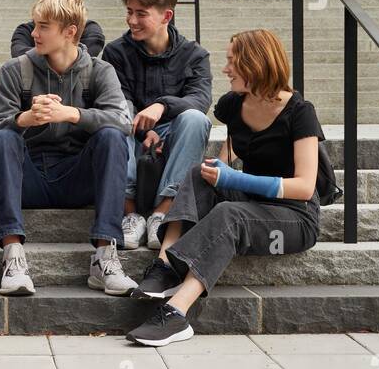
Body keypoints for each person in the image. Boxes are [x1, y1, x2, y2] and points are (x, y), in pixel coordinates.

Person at [127, 28, 322, 346]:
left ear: (255, 64)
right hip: (253, 200)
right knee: (197, 172)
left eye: (233, 61)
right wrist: (217, 173)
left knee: (231, 214)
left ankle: (177, 315)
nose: (225, 68)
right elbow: (228, 156)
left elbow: (303, 187)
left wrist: (234, 179)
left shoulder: (300, 112)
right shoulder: (233, 105)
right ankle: (165, 264)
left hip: (295, 217)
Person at [0, 0, 134, 297]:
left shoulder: (99, 71)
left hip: (77, 178)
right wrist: (26, 118)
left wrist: (72, 114)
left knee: (112, 137)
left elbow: (123, 121)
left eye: (42, 27)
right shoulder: (16, 69)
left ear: (69, 32)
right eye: (34, 24)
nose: (33, 33)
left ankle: (105, 256)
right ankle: (13, 256)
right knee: (2, 137)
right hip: (28, 180)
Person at [102, 0, 212, 251]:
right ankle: (130, 215)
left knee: (196, 119)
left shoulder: (194, 55)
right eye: (129, 12)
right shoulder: (115, 52)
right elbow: (118, 100)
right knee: (116, 119)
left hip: (175, 135)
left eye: (141, 14)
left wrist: (162, 105)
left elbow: (200, 99)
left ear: (167, 16)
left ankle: (163, 213)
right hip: (132, 135)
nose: (132, 20)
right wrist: (142, 128)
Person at [10, 0, 106, 59]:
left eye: (66, 3)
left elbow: (86, 53)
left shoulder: (90, 29)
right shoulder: (25, 31)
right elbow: (19, 53)